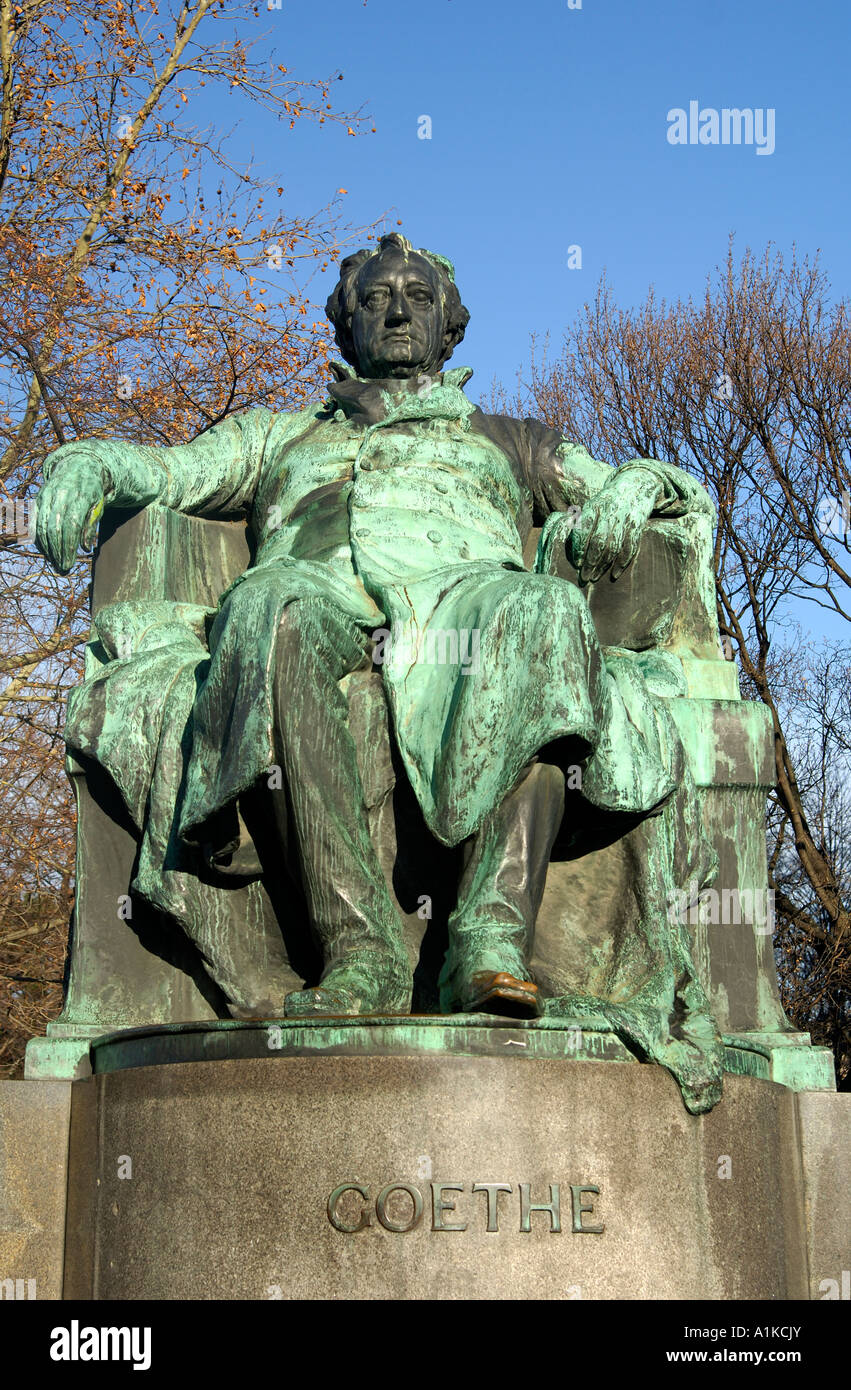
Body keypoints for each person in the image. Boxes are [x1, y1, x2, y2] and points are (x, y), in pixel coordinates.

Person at [35, 233, 717, 1063]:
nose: (396, 309)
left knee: (541, 610)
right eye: (374, 297)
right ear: (345, 325)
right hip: (317, 597)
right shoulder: (276, 437)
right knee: (270, 606)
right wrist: (87, 459)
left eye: (419, 297)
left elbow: (643, 487)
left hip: (466, 604)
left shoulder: (512, 440)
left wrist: (643, 483)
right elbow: (170, 472)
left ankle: (488, 937)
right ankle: (358, 950)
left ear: (450, 326)